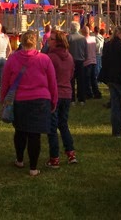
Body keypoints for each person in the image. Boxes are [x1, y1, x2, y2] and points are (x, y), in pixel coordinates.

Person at [1, 30, 58, 176]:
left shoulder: (13, 59)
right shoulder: (44, 59)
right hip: (40, 100)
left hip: (20, 100)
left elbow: (5, 81)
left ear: (21, 41)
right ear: (37, 42)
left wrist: (4, 100)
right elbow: (52, 83)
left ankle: (19, 159)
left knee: (20, 131)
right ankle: (33, 168)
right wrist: (54, 101)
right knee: (35, 134)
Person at [44, 29, 75, 169]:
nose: (48, 41)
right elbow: (71, 75)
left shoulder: (50, 57)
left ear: (56, 42)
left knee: (52, 126)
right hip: (67, 93)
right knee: (63, 124)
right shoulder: (69, 57)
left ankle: (54, 157)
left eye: (50, 39)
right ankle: (71, 153)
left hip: (54, 93)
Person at [100, 26, 121, 137]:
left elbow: (104, 60)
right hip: (119, 78)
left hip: (110, 78)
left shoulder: (108, 44)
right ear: (118, 33)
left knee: (115, 105)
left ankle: (116, 131)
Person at [68, 20, 87, 104]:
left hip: (71, 61)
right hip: (81, 61)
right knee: (81, 81)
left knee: (71, 81)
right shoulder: (83, 38)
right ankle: (81, 99)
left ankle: (72, 99)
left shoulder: (68, 37)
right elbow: (86, 50)